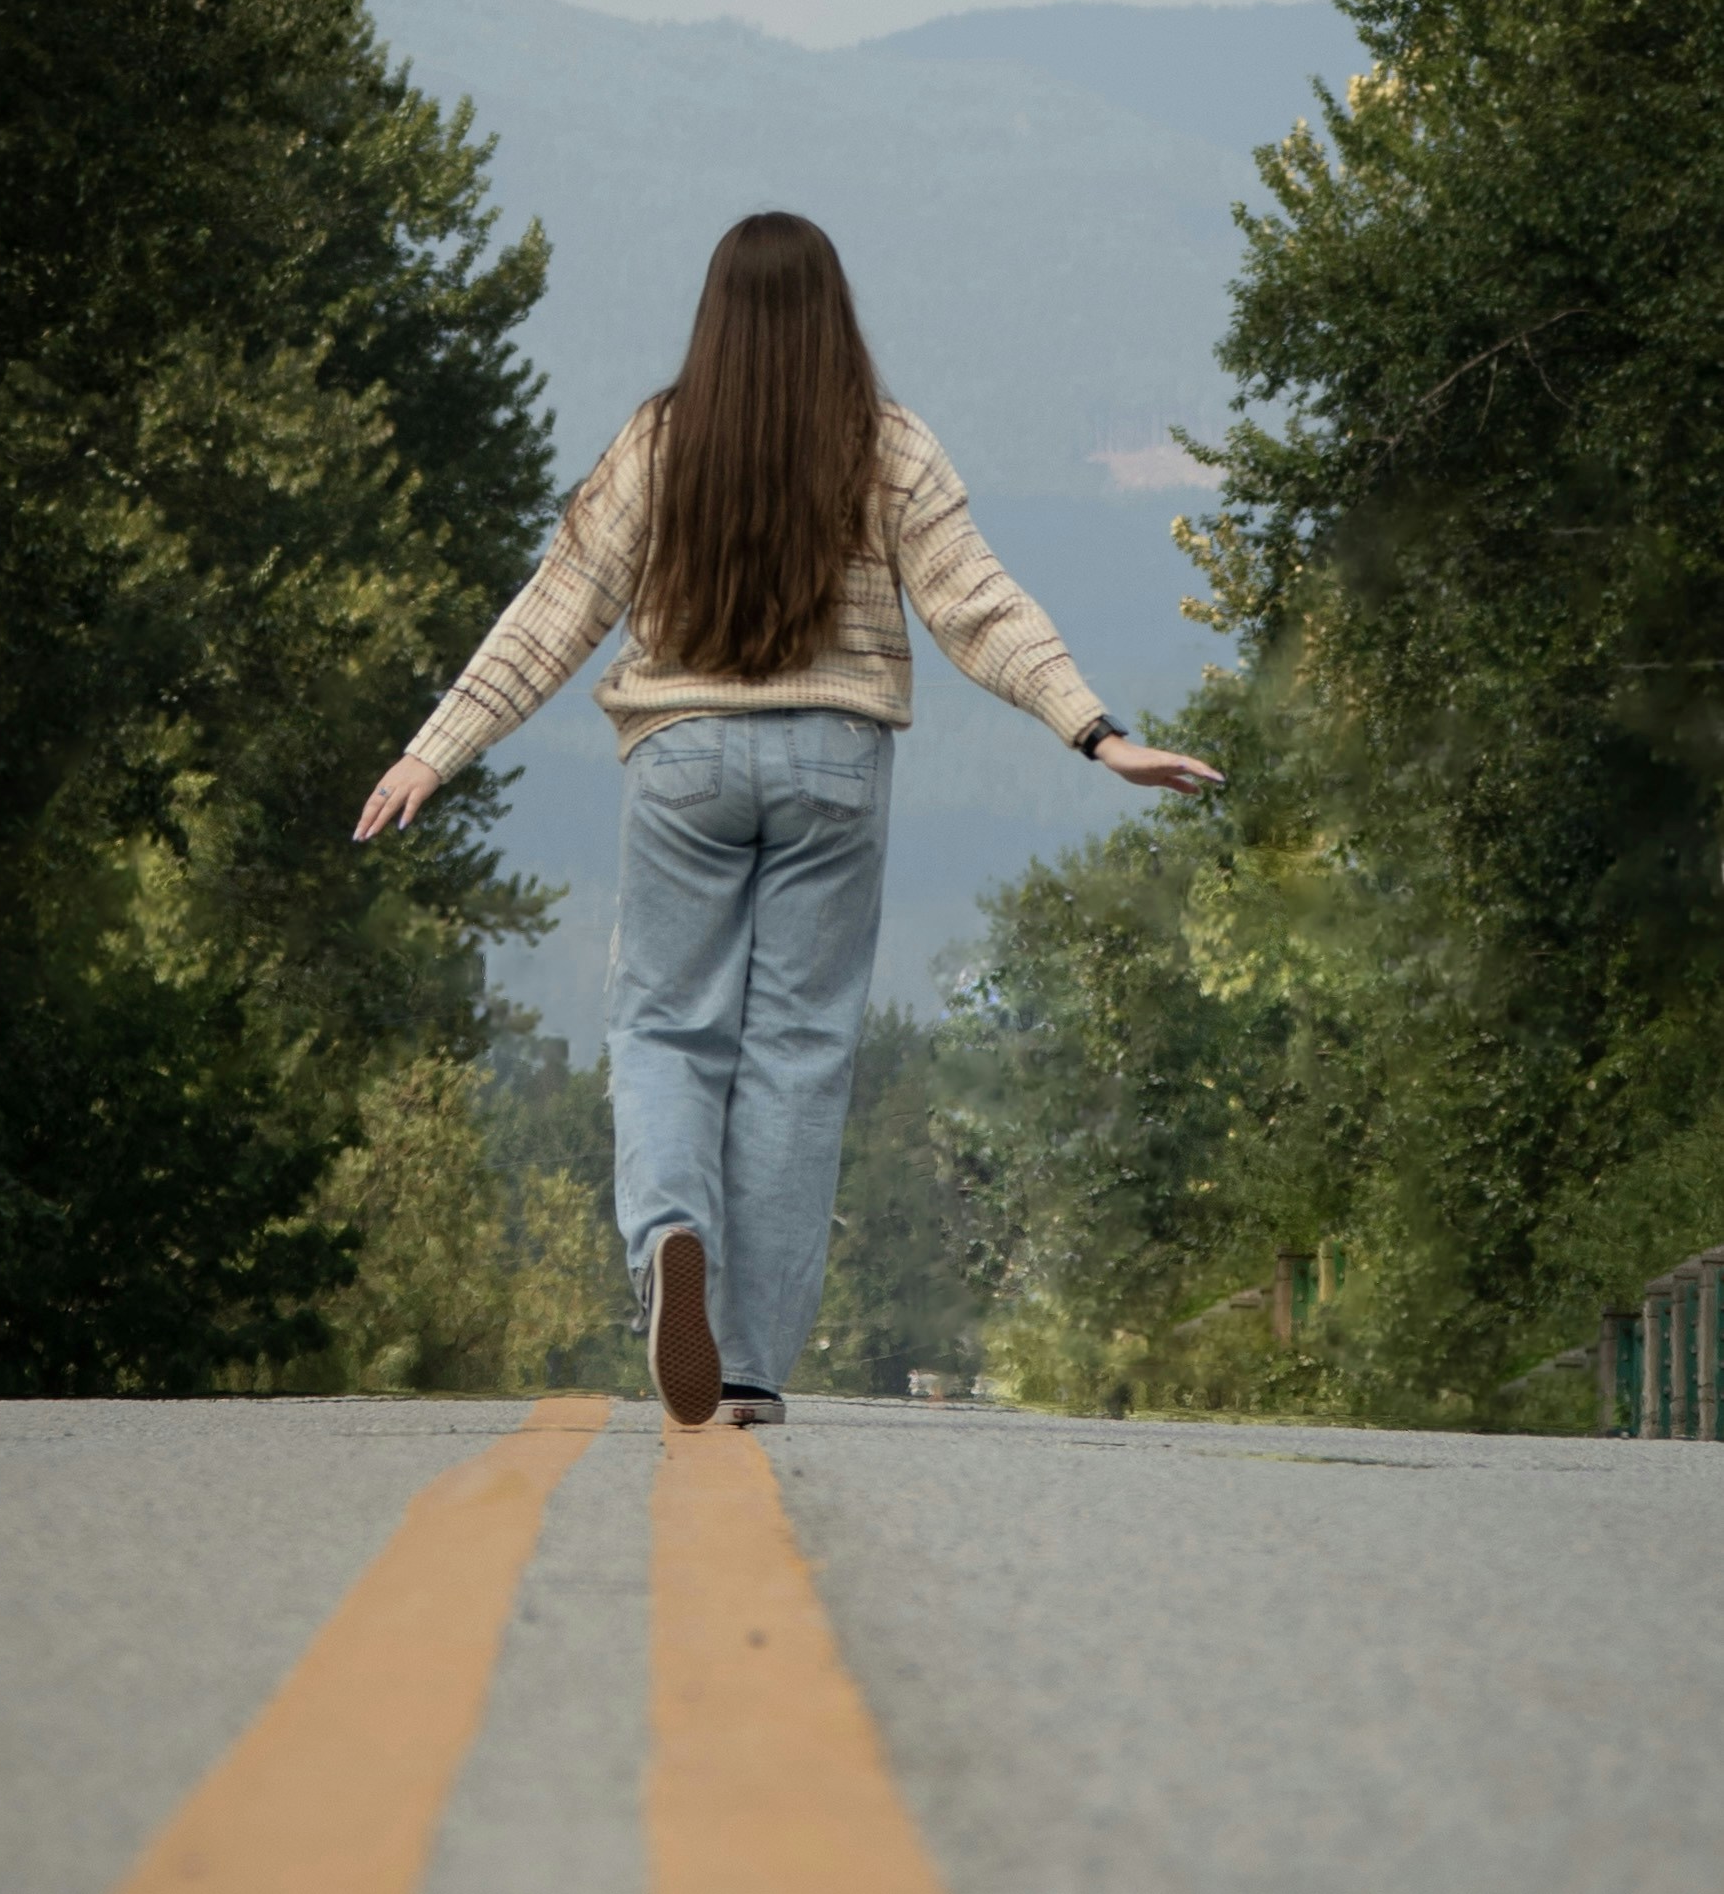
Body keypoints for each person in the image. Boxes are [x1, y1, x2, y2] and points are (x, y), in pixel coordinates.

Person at [355, 211, 1223, 1427]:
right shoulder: (890, 448)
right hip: (834, 765)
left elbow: (553, 612)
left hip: (681, 761)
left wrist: (429, 750)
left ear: (712, 318)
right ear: (834, 313)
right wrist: (1097, 732)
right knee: (796, 1053)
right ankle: (750, 1360)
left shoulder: (658, 444)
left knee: (665, 1030)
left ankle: (671, 1237)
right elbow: (980, 604)